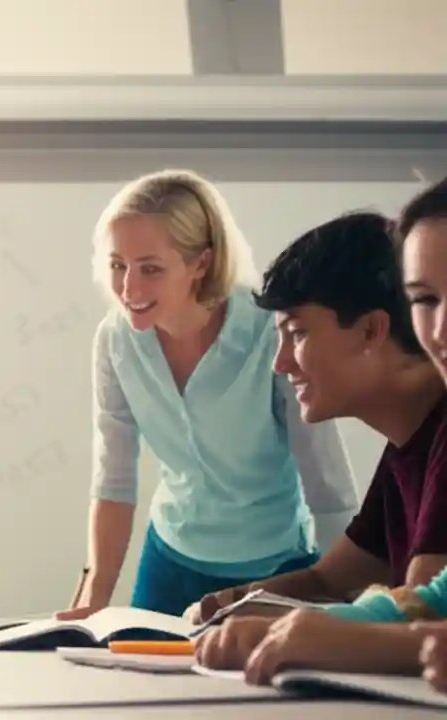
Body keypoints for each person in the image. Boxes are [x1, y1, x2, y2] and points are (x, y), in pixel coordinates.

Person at [59, 169, 359, 620]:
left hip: (275, 565)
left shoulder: (268, 331)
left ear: (201, 263)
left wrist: (351, 602)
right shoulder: (116, 340)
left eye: (151, 269)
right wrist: (93, 599)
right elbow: (114, 479)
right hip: (171, 559)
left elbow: (327, 484)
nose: (129, 289)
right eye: (118, 265)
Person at [194, 186, 447, 686]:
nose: (280, 363)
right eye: (423, 300)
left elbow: (420, 609)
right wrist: (244, 605)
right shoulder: (408, 444)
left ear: (373, 331)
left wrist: (307, 628)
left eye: (298, 333)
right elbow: (337, 579)